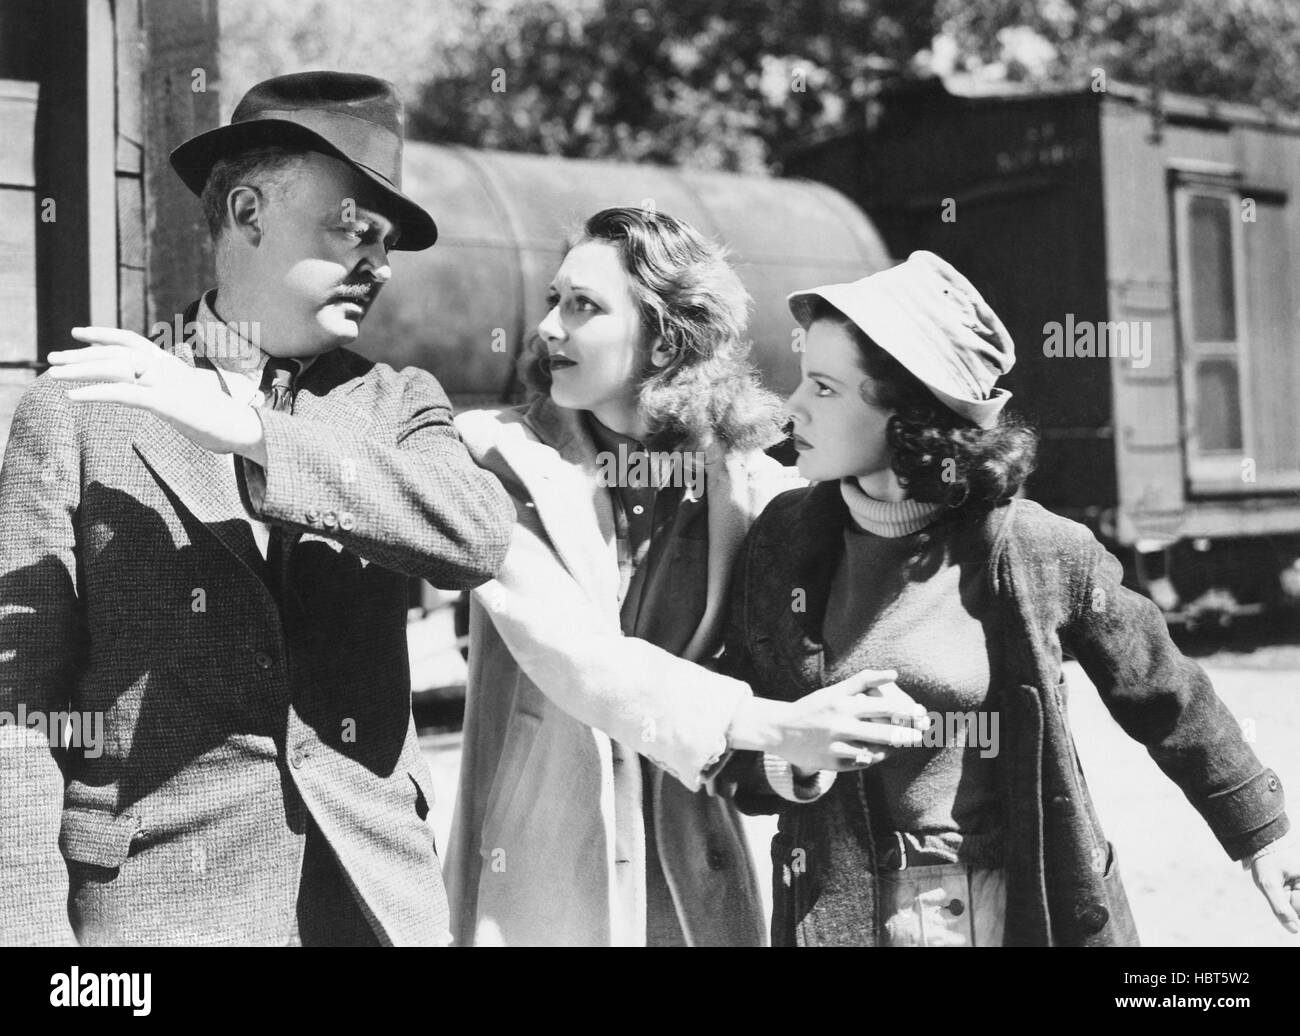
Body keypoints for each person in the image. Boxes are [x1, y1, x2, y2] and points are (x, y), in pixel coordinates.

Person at [0, 72, 512, 946]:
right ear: (246, 215)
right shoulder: (79, 406)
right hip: (159, 917)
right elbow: (19, 710)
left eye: (387, 242)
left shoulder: (398, 403)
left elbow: (478, 535)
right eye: (355, 231)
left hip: (370, 905)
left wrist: (251, 430)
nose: (378, 266)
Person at [717, 250, 1300, 946]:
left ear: (910, 413)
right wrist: (799, 755)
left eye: (824, 387)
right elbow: (739, 730)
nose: (793, 407)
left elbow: (1167, 694)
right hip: (839, 913)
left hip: (1016, 910)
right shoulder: (783, 538)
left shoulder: (1039, 549)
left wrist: (1262, 838)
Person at [446, 207, 924, 946]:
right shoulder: (494, 458)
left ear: (665, 337)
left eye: (583, 306)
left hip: (691, 875)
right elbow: (573, 655)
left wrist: (795, 757)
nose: (547, 328)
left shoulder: (749, 488)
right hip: (544, 858)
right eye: (553, 299)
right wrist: (770, 724)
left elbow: (778, 687)